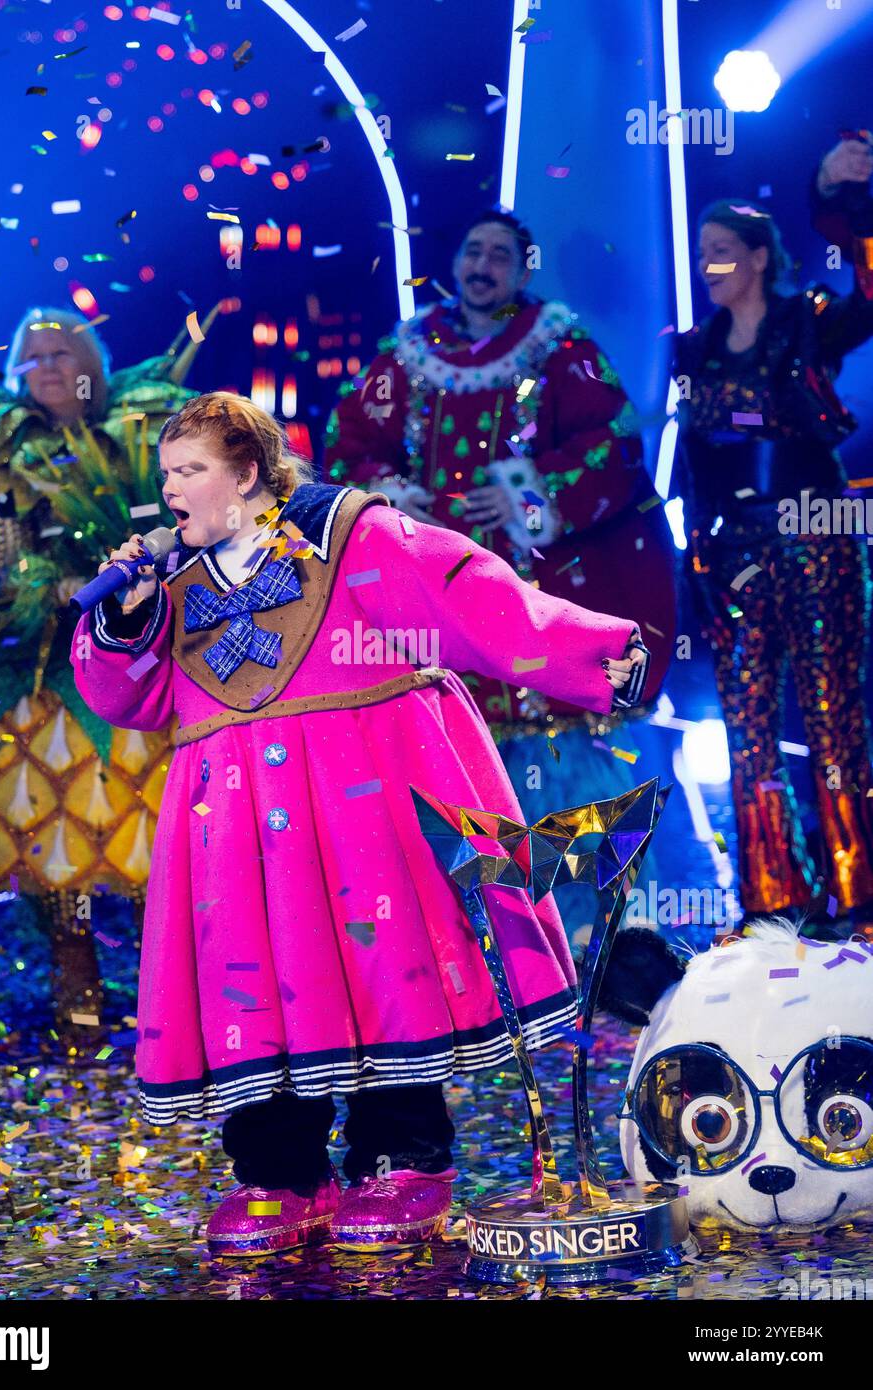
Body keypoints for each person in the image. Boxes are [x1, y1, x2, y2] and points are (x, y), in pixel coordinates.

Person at [71, 390, 648, 1257]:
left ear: (250, 473)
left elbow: (474, 598)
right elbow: (128, 697)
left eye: (191, 470)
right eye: (167, 475)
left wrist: (597, 654)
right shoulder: (169, 584)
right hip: (234, 827)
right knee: (249, 980)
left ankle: (403, 1157)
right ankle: (277, 1171)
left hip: (357, 805)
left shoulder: (350, 536)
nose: (173, 489)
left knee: (383, 963)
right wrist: (122, 620)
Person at [325, 208, 675, 934]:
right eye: (471, 250)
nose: (481, 265)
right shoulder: (409, 349)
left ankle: (590, 931)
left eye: (498, 255)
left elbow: (611, 447)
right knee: (445, 756)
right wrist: (392, 497)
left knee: (561, 759)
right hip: (432, 598)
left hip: (533, 589)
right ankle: (467, 935)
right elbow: (349, 441)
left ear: (522, 271)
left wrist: (524, 492)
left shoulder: (560, 346)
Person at [0, 304, 215, 1054]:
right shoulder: (5, 446)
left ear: (90, 367)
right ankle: (73, 971)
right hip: (45, 631)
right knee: (50, 808)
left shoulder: (148, 432)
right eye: (30, 357)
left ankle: (173, 982)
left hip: (147, 622)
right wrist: (56, 585)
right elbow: (8, 554)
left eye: (58, 354)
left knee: (151, 814)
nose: (45, 367)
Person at [674, 136, 873, 921]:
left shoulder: (807, 321)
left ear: (758, 256)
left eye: (721, 251)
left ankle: (856, 891)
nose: (708, 265)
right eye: (700, 255)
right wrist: (695, 554)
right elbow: (691, 459)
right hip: (729, 550)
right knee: (747, 721)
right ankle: (769, 895)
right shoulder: (691, 348)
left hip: (813, 534)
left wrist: (838, 195)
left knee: (832, 714)